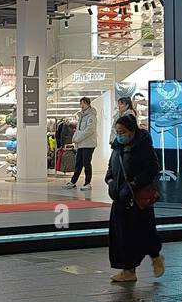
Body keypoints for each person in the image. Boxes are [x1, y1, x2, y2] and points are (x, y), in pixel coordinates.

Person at [105, 113, 164, 283]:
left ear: (132, 131)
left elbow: (153, 168)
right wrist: (109, 179)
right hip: (119, 197)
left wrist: (135, 182)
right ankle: (128, 270)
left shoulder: (143, 147)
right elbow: (112, 166)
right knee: (121, 235)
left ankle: (156, 257)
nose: (119, 135)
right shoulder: (117, 147)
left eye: (122, 131)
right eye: (117, 131)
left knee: (145, 232)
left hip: (137, 199)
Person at [65, 97, 98, 189]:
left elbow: (89, 130)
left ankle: (88, 183)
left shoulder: (91, 116)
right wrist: (74, 138)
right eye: (81, 103)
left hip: (88, 144)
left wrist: (78, 138)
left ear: (88, 104)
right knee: (78, 163)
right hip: (81, 144)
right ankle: (73, 181)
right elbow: (78, 130)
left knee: (86, 163)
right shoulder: (81, 116)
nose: (81, 105)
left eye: (83, 103)